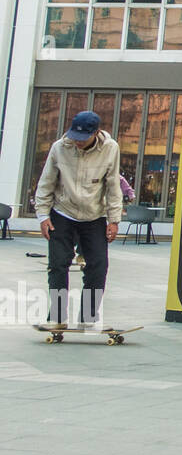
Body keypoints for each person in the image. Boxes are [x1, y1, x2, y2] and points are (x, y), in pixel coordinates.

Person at [32, 111, 122, 327]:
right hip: (62, 213)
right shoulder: (59, 148)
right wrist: (43, 215)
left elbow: (113, 186)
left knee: (98, 266)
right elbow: (46, 183)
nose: (78, 143)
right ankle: (56, 317)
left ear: (96, 133)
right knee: (58, 264)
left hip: (94, 216)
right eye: (75, 137)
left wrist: (114, 220)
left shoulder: (111, 148)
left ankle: (88, 318)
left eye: (83, 139)